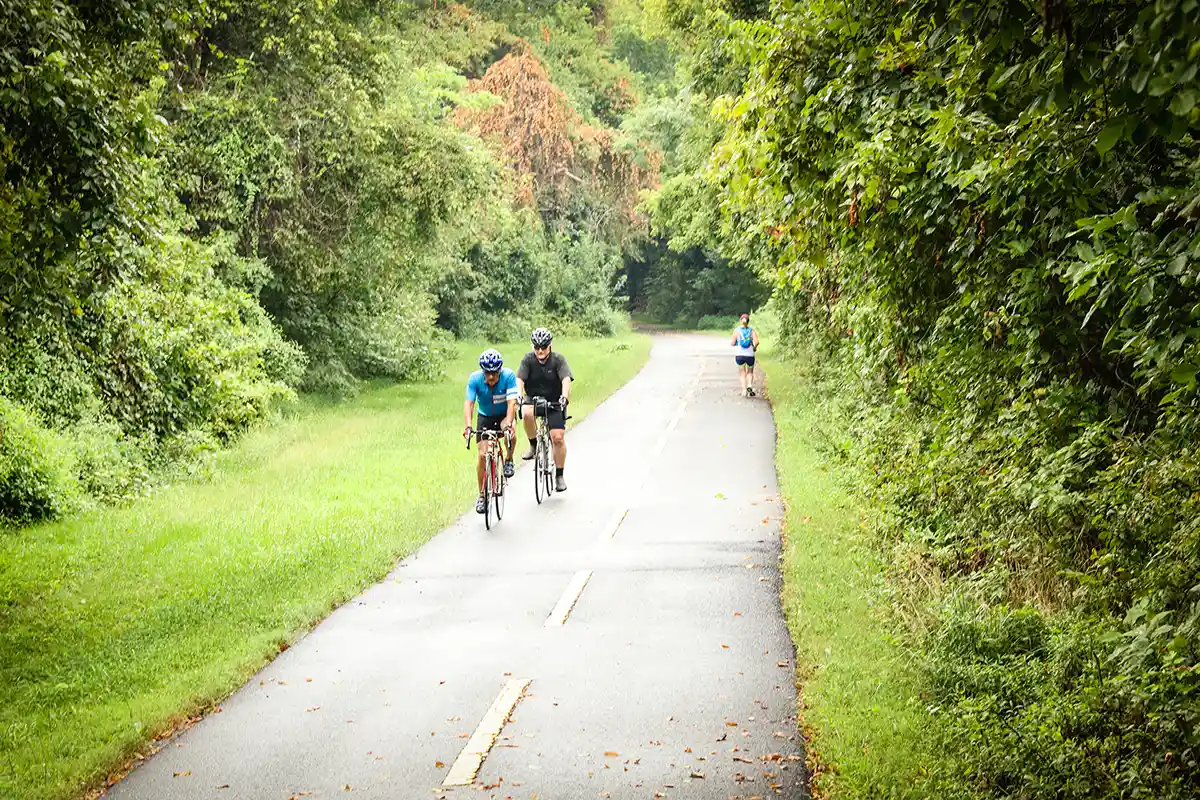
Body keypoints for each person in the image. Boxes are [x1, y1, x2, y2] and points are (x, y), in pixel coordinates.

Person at [516, 327, 573, 492]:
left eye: (544, 347)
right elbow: (520, 379)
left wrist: (564, 397)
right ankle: (533, 444)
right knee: (526, 413)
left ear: (550, 346)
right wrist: (519, 395)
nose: (540, 351)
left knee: (558, 438)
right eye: (537, 347)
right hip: (533, 399)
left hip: (555, 401)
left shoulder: (558, 360)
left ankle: (559, 475)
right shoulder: (528, 360)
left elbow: (566, 379)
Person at [463, 348, 518, 514]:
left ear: (500, 370)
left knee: (510, 432)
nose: (491, 377)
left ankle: (508, 459)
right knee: (482, 455)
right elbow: (469, 404)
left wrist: (508, 424)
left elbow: (512, 403)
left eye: (495, 373)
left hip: (503, 416)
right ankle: (482, 496)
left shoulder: (509, 377)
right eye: (487, 373)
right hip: (485, 417)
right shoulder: (474, 379)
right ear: (483, 371)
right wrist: (468, 426)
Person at [731, 312, 760, 397]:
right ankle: (750, 385)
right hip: (750, 355)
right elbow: (757, 342)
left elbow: (732, 343)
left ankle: (744, 390)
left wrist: (737, 343)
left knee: (742, 373)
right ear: (748, 321)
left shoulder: (736, 331)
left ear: (741, 321)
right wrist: (754, 347)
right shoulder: (752, 331)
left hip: (740, 355)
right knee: (750, 372)